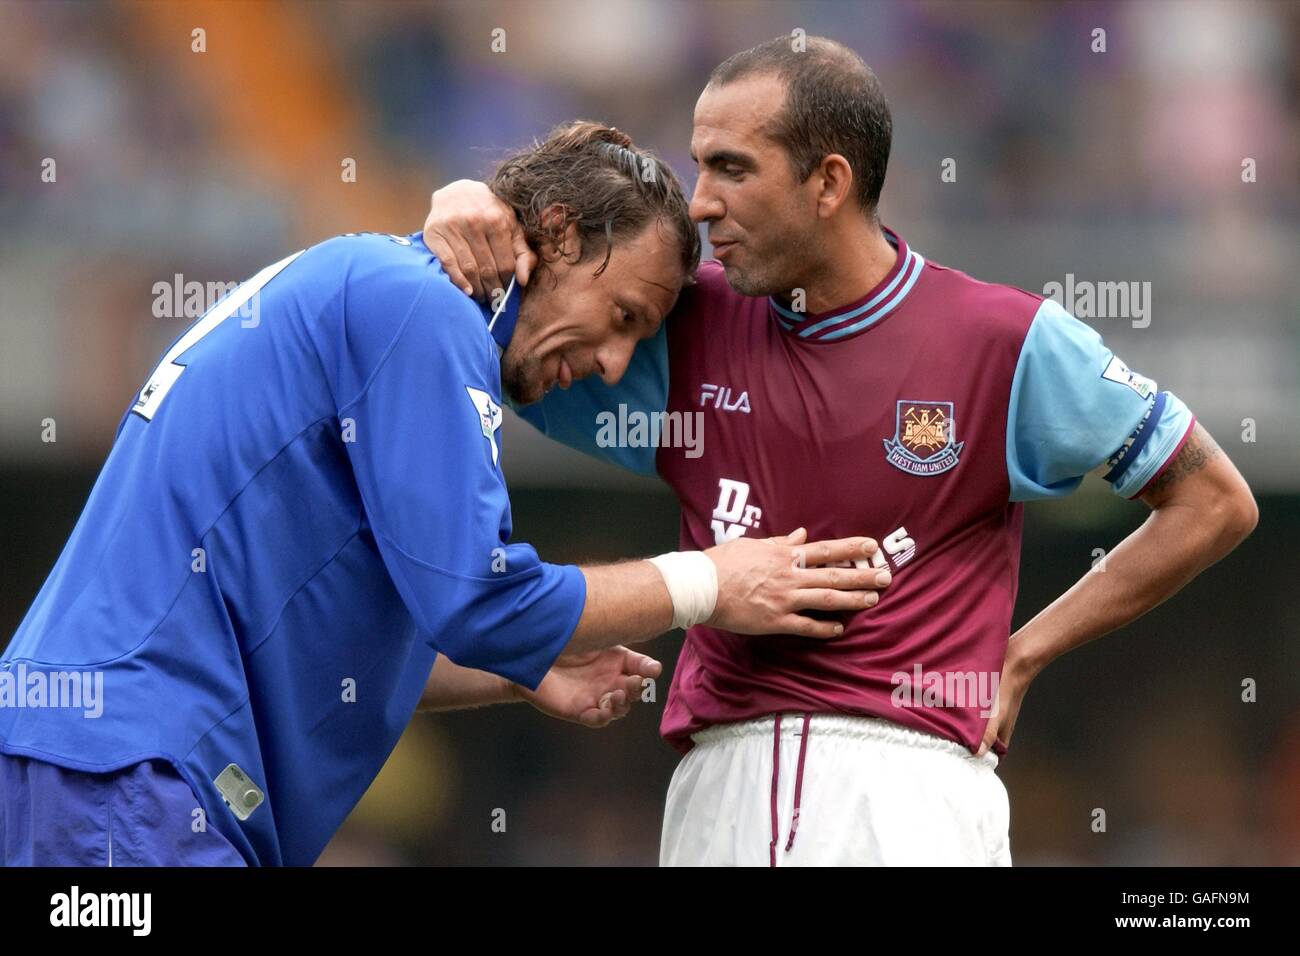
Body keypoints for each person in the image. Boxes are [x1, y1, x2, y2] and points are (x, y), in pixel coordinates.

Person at [423, 37, 1258, 866]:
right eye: (699, 166)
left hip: (895, 795)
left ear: (829, 182)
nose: (701, 202)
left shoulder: (1004, 342)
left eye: (732, 168)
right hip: (727, 792)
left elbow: (1213, 500)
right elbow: (502, 339)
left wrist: (1025, 651)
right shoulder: (674, 318)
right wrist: (473, 215)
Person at [0, 121, 883, 867]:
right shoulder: (422, 316)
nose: (614, 365)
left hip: (94, 769)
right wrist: (714, 583)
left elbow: (324, 629)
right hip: (132, 784)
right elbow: (479, 599)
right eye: (622, 318)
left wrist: (516, 675)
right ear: (562, 233)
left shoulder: (379, 293)